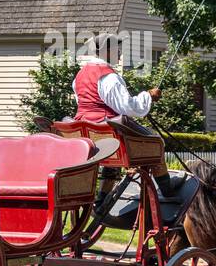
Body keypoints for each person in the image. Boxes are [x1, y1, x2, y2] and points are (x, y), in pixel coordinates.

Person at [72, 38, 176, 198]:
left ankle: (102, 198)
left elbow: (85, 103)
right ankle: (168, 192)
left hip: (87, 131)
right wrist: (148, 96)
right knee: (156, 143)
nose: (120, 53)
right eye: (117, 49)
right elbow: (127, 107)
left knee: (113, 159)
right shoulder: (109, 77)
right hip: (107, 129)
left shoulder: (79, 76)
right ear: (107, 51)